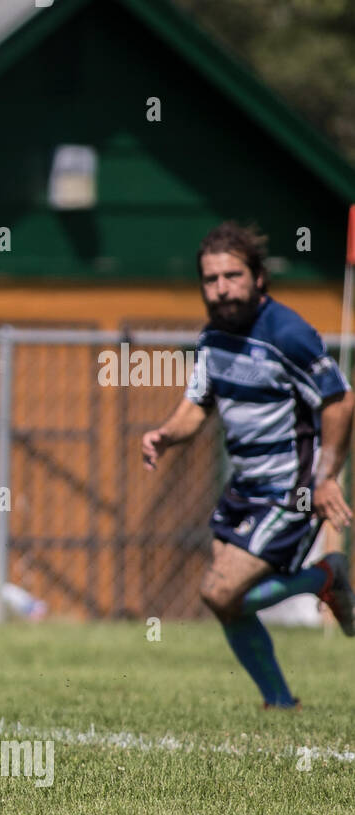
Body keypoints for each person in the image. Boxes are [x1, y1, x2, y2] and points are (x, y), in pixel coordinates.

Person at [142, 221, 355, 709]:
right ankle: (280, 702)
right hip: (244, 489)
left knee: (220, 594)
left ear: (259, 277)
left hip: (290, 489)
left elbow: (340, 401)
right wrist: (165, 436)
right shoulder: (213, 338)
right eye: (211, 279)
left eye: (232, 276)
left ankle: (323, 577)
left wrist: (324, 478)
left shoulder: (287, 333)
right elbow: (198, 403)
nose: (221, 289)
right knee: (228, 603)